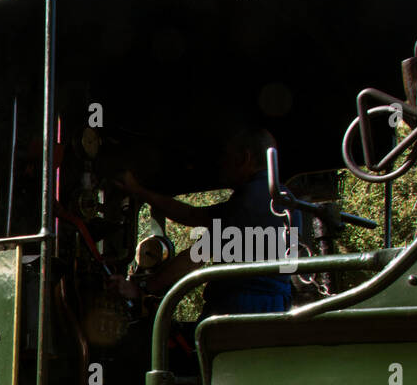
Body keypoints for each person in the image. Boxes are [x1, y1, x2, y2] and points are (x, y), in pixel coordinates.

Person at [113, 128, 297, 317]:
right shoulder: (286, 199)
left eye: (226, 156)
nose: (222, 164)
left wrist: (141, 288)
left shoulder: (246, 202)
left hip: (239, 309)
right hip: (277, 308)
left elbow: (199, 253)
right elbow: (193, 216)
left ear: (244, 158)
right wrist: (139, 191)